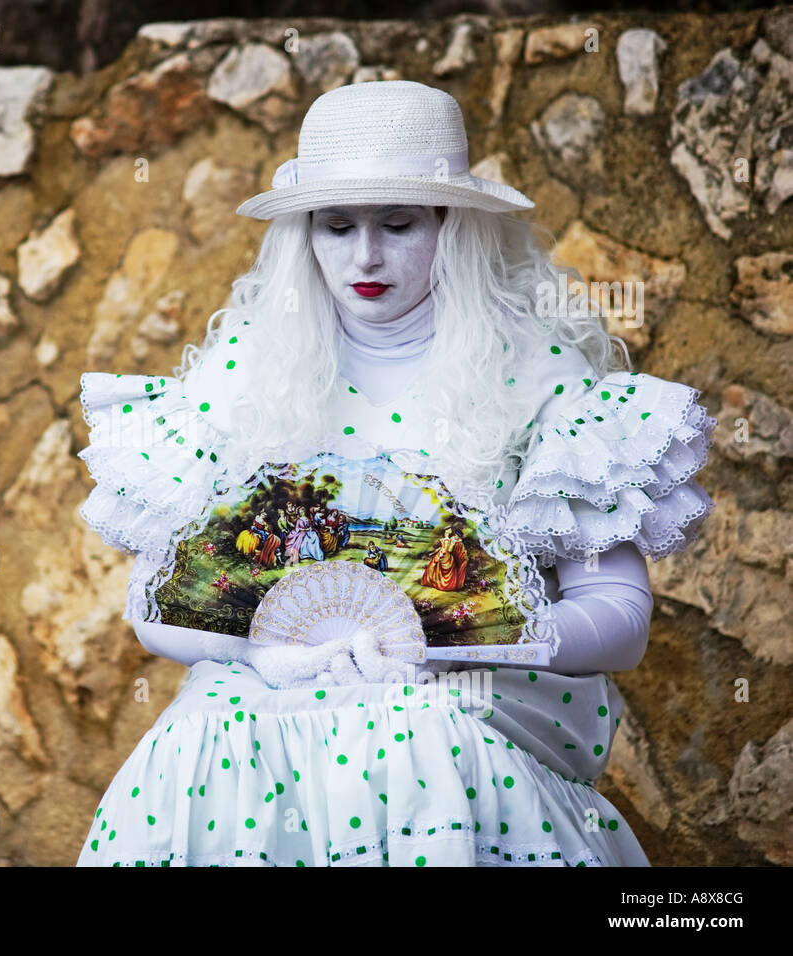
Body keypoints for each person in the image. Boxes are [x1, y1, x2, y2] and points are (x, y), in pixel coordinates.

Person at [73, 81, 715, 866]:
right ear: (305, 233)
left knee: (419, 740)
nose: (366, 256)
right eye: (338, 226)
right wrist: (261, 654)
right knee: (206, 741)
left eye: (399, 224)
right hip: (263, 699)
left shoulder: (539, 375)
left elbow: (618, 615)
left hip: (467, 703)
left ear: (453, 225)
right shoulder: (245, 371)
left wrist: (477, 643)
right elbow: (158, 601)